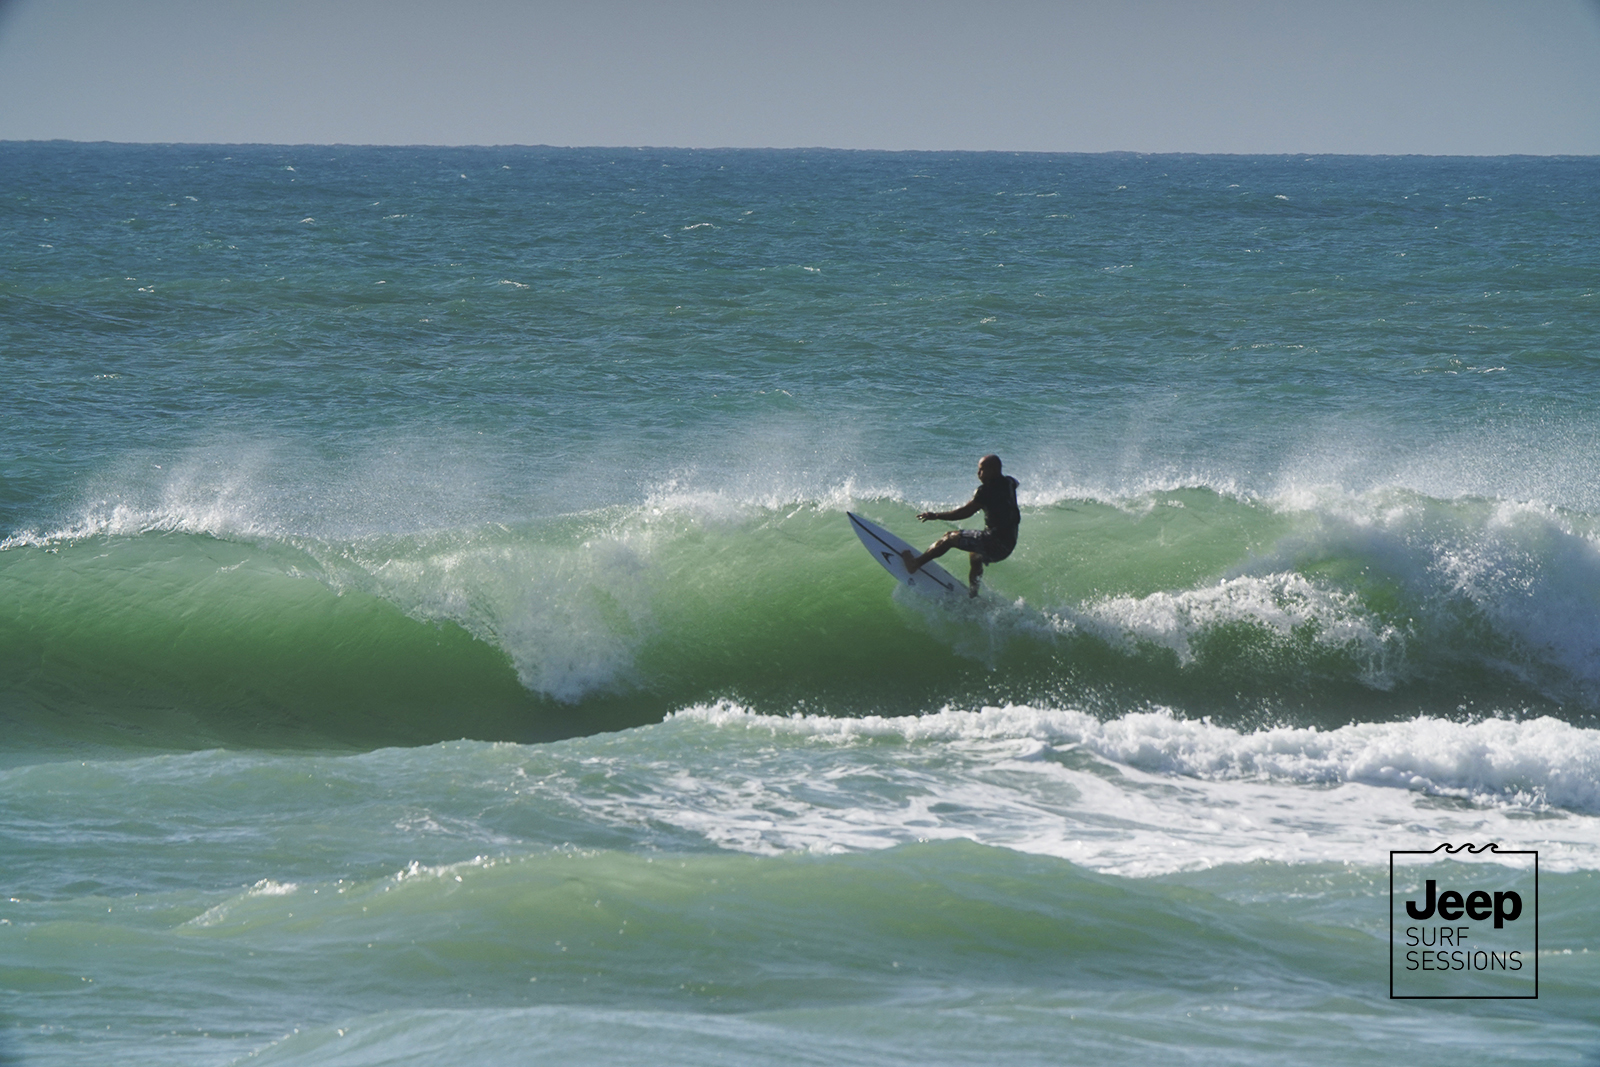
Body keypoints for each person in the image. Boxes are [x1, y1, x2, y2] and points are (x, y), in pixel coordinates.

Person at [902, 454, 1021, 596]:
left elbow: (965, 512)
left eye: (982, 470)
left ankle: (915, 564)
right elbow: (1015, 484)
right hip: (1008, 545)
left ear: (994, 470)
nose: (978, 473)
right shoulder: (1010, 482)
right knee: (976, 555)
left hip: (994, 543)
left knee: (949, 538)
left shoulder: (985, 491)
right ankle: (973, 593)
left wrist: (936, 515)